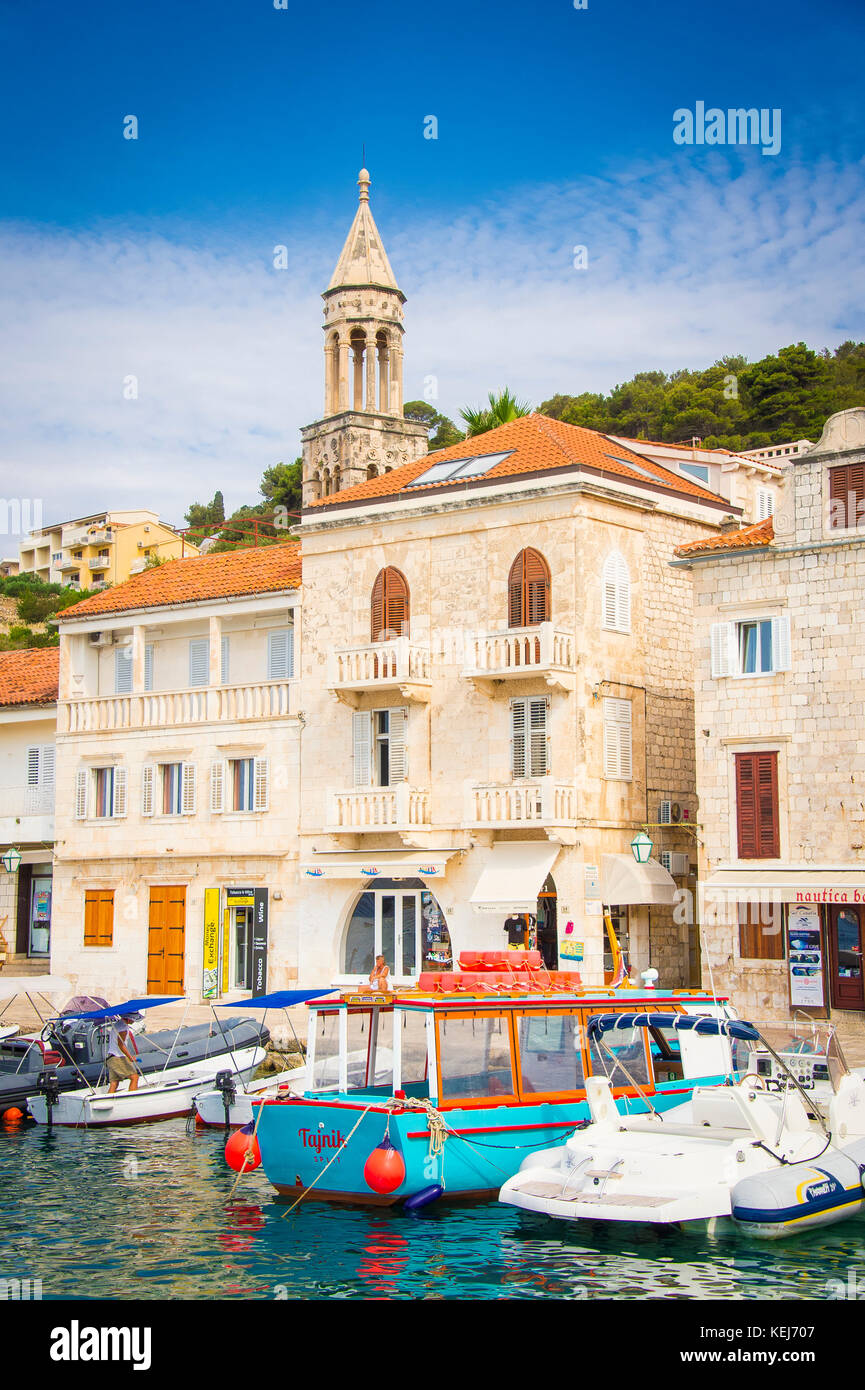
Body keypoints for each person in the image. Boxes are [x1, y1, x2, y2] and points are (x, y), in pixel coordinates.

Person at [106, 1014, 140, 1093]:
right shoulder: (123, 1028)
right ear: (128, 1019)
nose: (134, 1021)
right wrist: (130, 1057)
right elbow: (121, 1045)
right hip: (118, 1058)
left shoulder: (117, 1024)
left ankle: (108, 1100)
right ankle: (132, 1098)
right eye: (133, 1019)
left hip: (111, 1057)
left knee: (114, 1083)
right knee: (134, 1077)